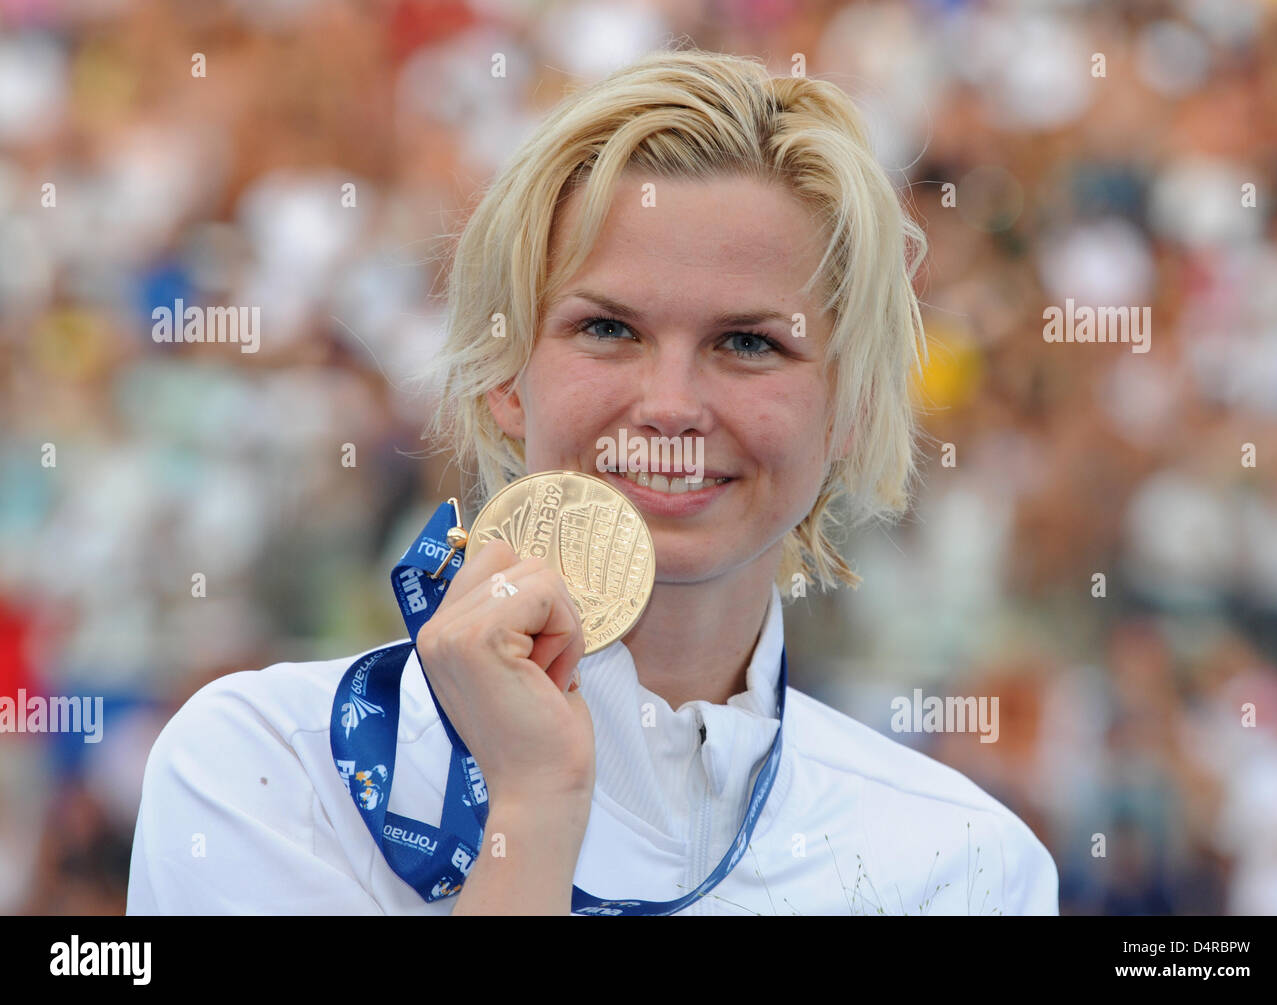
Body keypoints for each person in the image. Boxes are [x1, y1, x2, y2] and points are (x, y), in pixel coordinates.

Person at [126, 46, 1059, 915]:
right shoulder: (269, 767)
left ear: (849, 411)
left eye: (749, 343)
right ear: (503, 374)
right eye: (608, 329)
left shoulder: (965, 865)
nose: (671, 404)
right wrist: (533, 808)